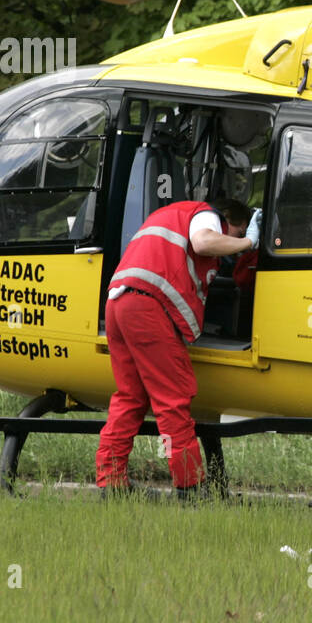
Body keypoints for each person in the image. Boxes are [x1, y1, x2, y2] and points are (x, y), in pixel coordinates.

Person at [95, 197, 261, 498]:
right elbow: (203, 243)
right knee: (173, 399)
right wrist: (248, 242)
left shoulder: (169, 215)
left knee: (130, 397)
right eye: (236, 234)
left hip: (118, 303)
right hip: (147, 308)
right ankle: (190, 487)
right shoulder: (205, 215)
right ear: (226, 219)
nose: (234, 248)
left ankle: (111, 482)